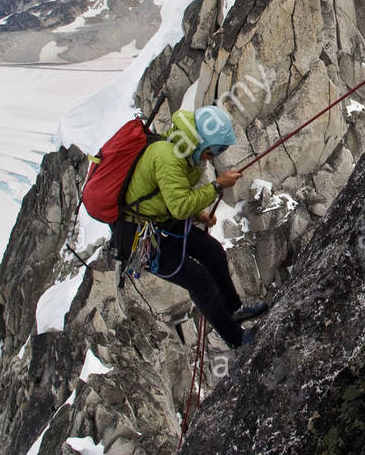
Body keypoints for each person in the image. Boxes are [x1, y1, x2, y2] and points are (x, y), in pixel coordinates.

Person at [114, 105, 267, 350]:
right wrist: (216, 186)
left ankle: (234, 309)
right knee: (199, 280)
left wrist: (200, 215)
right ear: (202, 142)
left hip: (160, 223)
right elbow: (179, 206)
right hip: (141, 237)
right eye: (213, 151)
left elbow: (172, 196)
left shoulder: (185, 152)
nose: (212, 157)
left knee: (213, 251)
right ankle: (236, 339)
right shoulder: (168, 157)